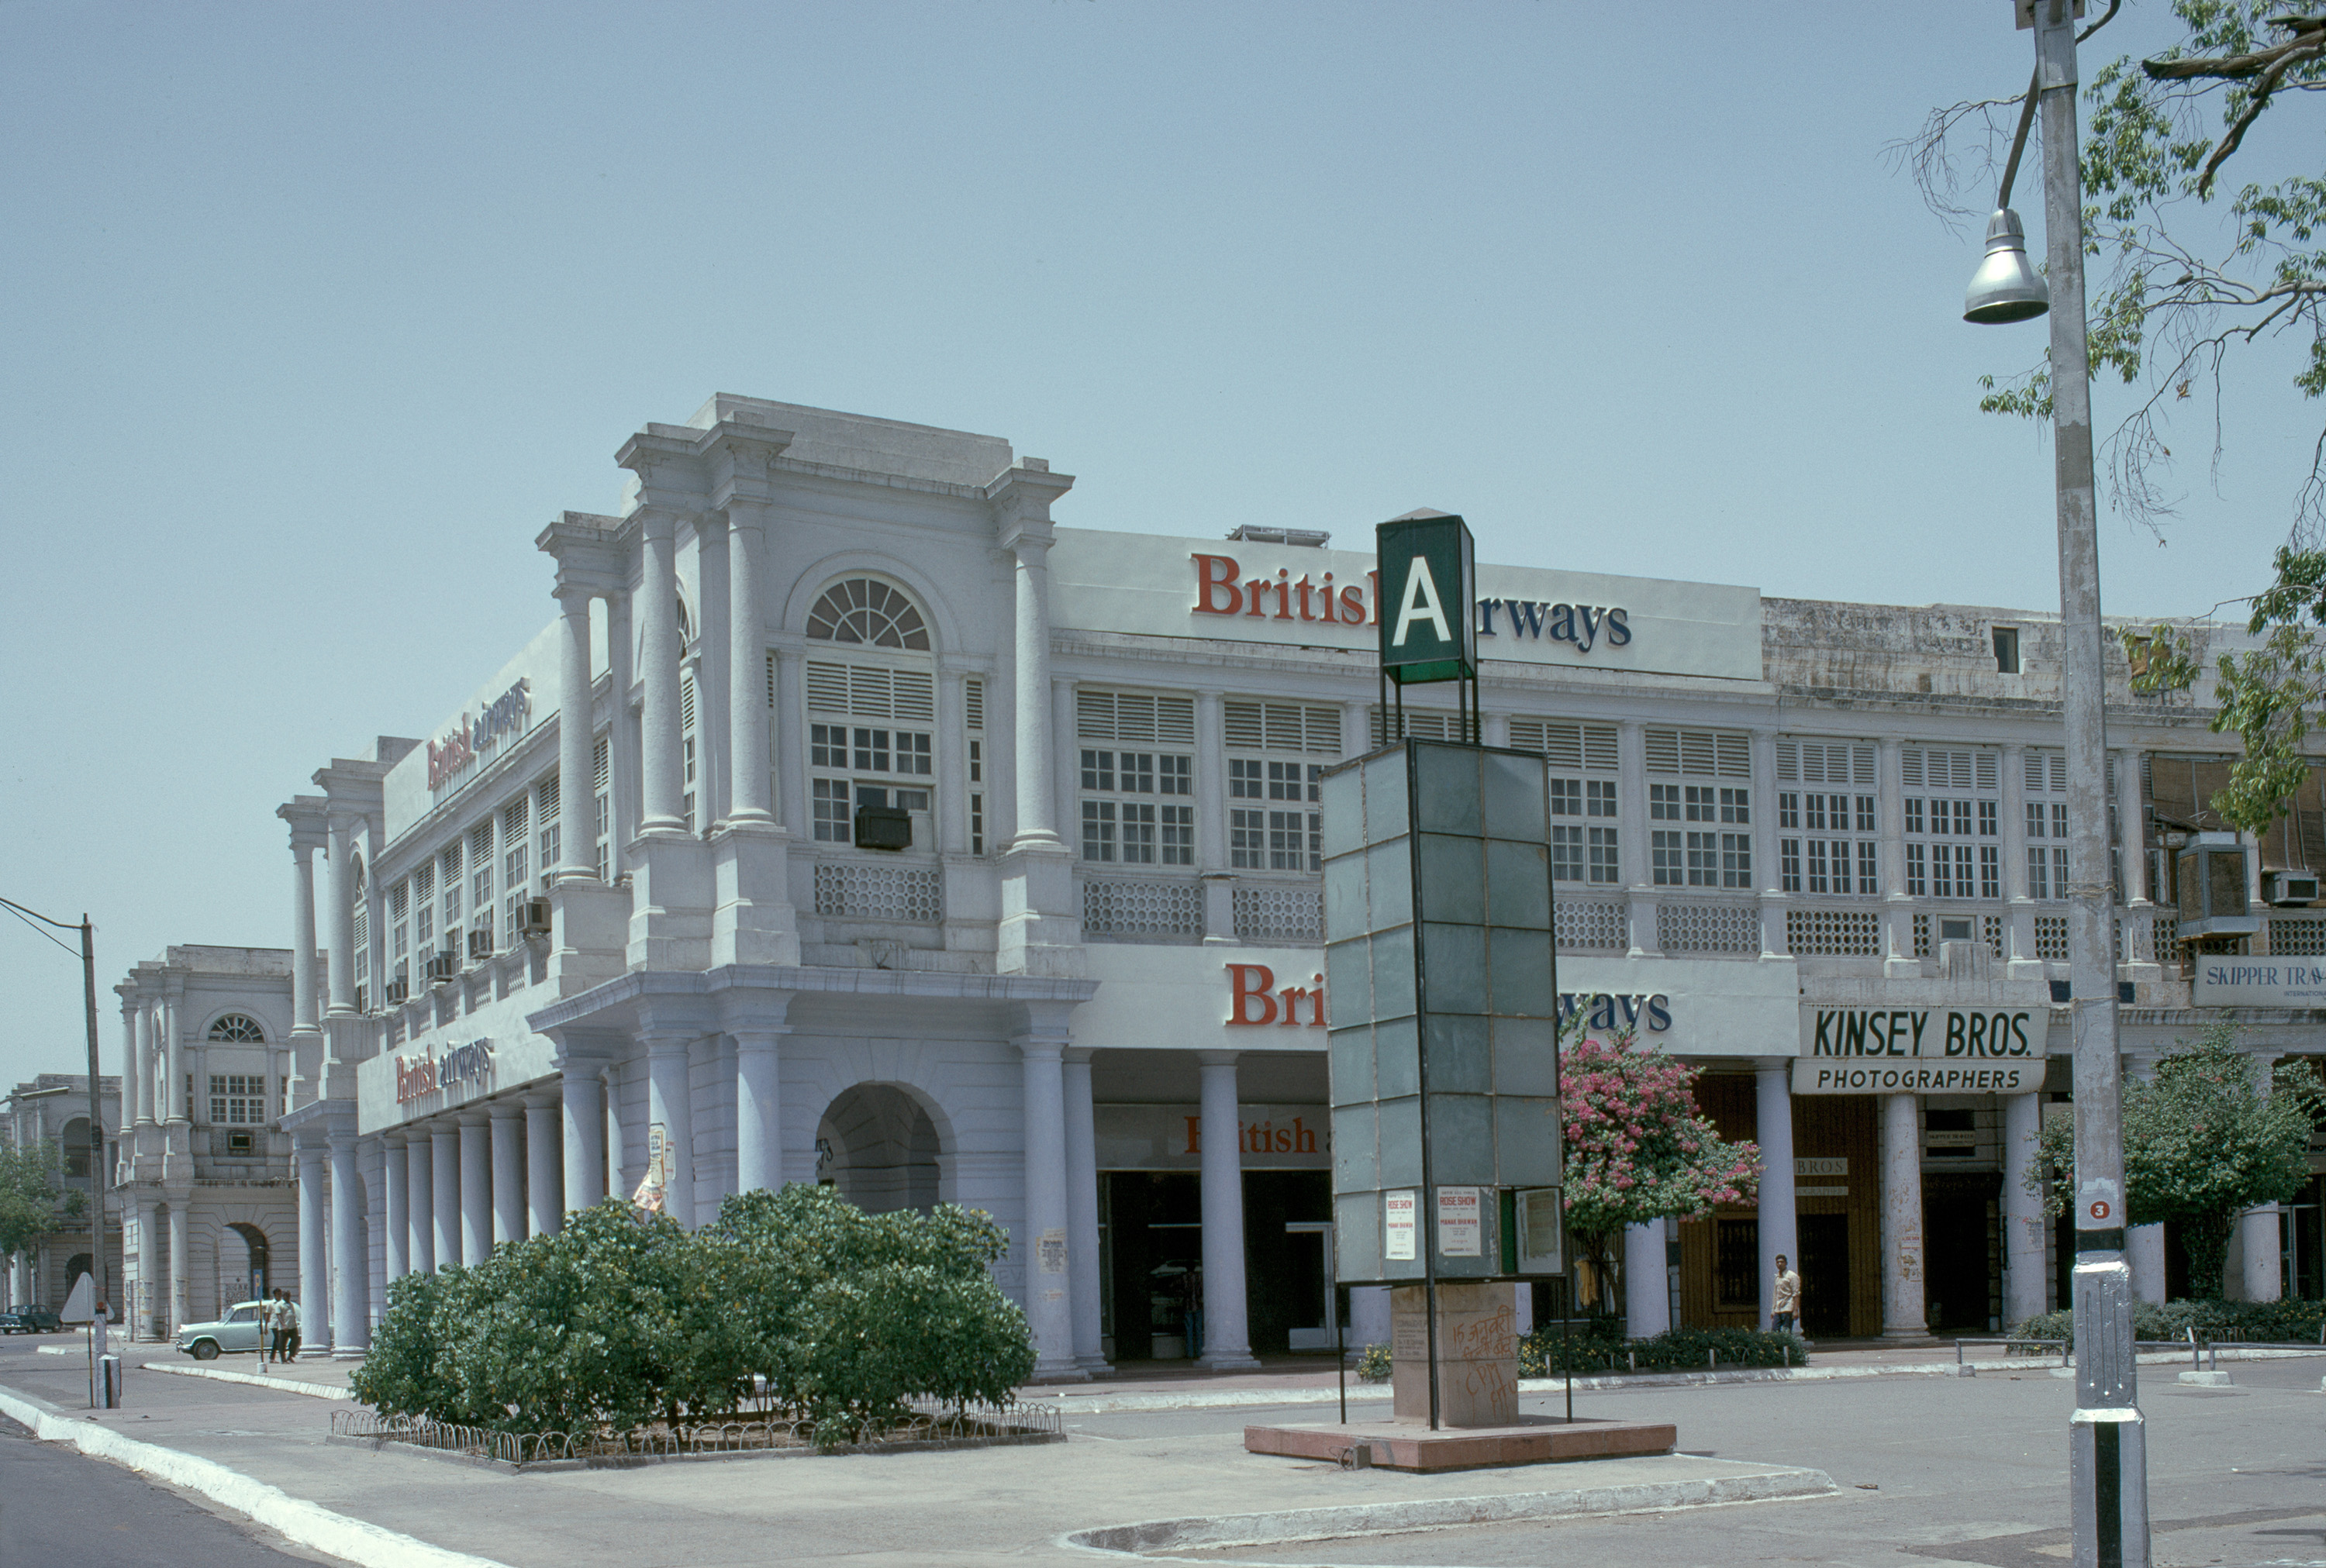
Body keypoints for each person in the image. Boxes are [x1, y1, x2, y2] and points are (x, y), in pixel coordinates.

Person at [1772, 1254, 1802, 1335]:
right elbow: (1776, 1294)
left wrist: (1795, 1310)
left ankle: (1787, 1347)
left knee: (1786, 1331)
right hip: (1778, 1308)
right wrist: (1773, 1309)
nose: (1780, 1264)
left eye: (1782, 1262)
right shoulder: (1777, 1277)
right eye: (1778, 1262)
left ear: (1786, 1263)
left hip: (1788, 1307)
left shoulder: (1792, 1276)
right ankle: (1778, 1347)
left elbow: (1796, 1294)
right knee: (1775, 1330)